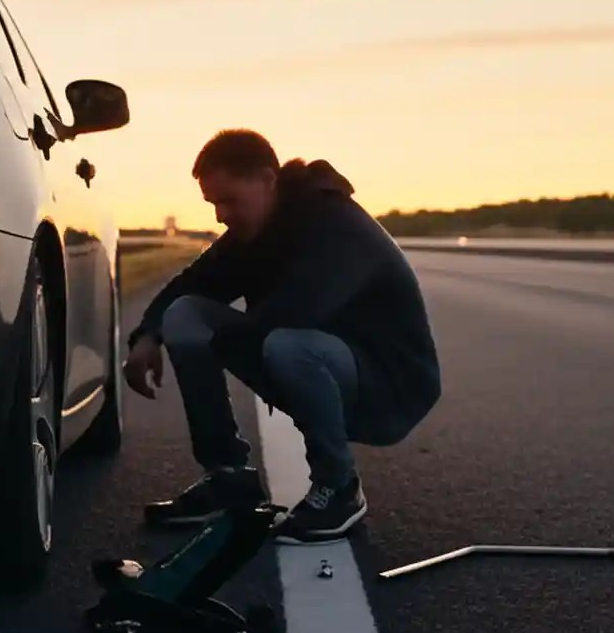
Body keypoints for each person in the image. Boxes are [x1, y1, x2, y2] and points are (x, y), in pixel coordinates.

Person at [123, 129, 442, 545]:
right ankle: (228, 477)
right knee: (185, 315)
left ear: (267, 180)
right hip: (321, 359)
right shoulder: (256, 229)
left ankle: (339, 488)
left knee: (287, 343)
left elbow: (299, 309)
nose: (220, 215)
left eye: (230, 200)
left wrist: (227, 343)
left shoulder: (334, 224)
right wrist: (148, 334)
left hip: (388, 384)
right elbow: (193, 283)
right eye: (213, 203)